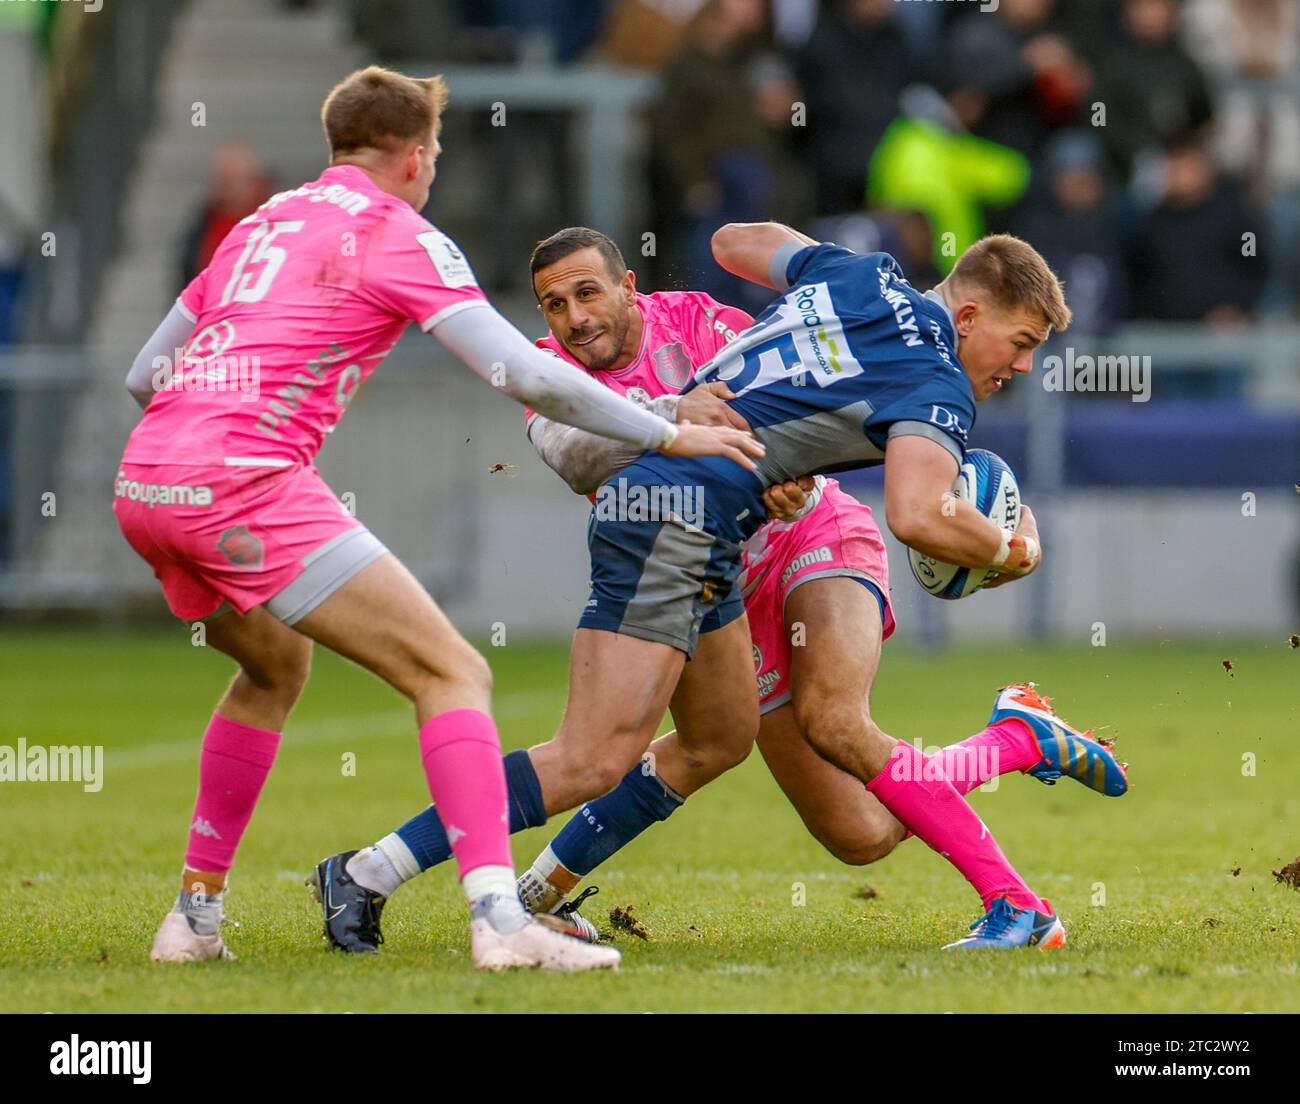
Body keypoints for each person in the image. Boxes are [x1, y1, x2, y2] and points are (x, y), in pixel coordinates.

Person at [308, 217, 1119, 953]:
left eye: (590, 291)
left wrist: (778, 451)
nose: (1021, 365)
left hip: (794, 533)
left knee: (821, 722)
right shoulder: (930, 378)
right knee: (787, 795)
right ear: (970, 317)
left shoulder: (852, 277)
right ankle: (375, 870)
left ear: (631, 288)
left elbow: (738, 243)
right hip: (682, 530)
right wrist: (1014, 550)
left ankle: (1016, 904)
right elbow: (919, 513)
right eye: (1021, 343)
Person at [113, 66, 759, 972]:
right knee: (452, 672)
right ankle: (500, 921)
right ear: (416, 157)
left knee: (271, 667)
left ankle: (194, 919)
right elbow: (523, 375)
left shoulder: (264, 220)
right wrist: (665, 428)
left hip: (148, 478)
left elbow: (146, 374)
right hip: (243, 481)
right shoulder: (397, 231)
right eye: (438, 155)